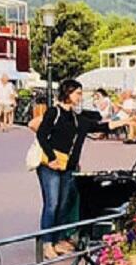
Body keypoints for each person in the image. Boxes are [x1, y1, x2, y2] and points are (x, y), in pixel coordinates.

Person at [29, 79, 104, 254]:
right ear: (67, 93)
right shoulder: (54, 112)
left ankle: (59, 239)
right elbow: (42, 135)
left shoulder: (76, 117)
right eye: (77, 93)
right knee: (52, 203)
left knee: (64, 203)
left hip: (68, 166)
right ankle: (47, 243)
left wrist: (126, 122)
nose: (80, 97)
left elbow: (100, 126)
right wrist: (52, 157)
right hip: (50, 165)